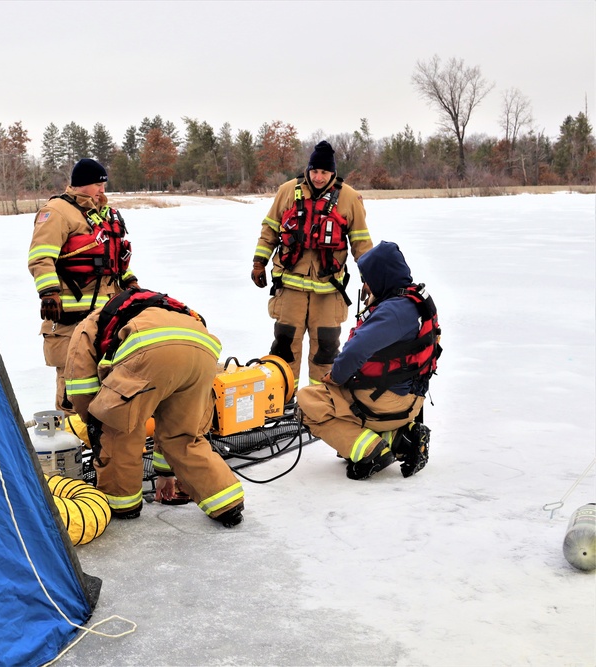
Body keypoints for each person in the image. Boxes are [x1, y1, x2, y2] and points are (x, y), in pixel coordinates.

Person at [63, 287, 245, 527]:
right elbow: (166, 417)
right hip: (203, 349)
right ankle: (228, 504)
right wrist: (165, 474)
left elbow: (80, 389)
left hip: (149, 350)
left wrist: (97, 424)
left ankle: (122, 505)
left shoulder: (88, 326)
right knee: (183, 436)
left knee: (119, 431)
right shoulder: (152, 308)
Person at [296, 241, 441, 480]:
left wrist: (336, 377)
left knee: (308, 402)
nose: (365, 285)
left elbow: (354, 351)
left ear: (381, 276)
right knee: (342, 400)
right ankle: (403, 439)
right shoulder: (414, 301)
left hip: (385, 403)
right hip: (411, 401)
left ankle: (370, 453)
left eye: (367, 279)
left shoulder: (392, 311)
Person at [250, 140, 373, 390]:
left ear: (333, 173)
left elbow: (361, 242)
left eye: (324, 172)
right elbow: (270, 229)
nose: (318, 177)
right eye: (314, 171)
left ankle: (320, 402)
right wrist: (259, 262)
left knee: (326, 351)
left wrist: (370, 277)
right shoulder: (287, 191)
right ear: (308, 169)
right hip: (289, 287)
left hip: (328, 290)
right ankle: (285, 400)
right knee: (284, 347)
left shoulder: (350, 198)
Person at [28, 158, 138, 413]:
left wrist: (131, 283)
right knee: (73, 379)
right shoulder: (57, 212)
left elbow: (115, 259)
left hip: (108, 313)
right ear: (82, 184)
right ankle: (71, 430)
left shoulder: (103, 214)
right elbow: (41, 257)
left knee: (108, 375)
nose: (102, 190)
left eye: (104, 184)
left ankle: (102, 430)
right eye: (98, 184)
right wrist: (48, 293)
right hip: (71, 317)